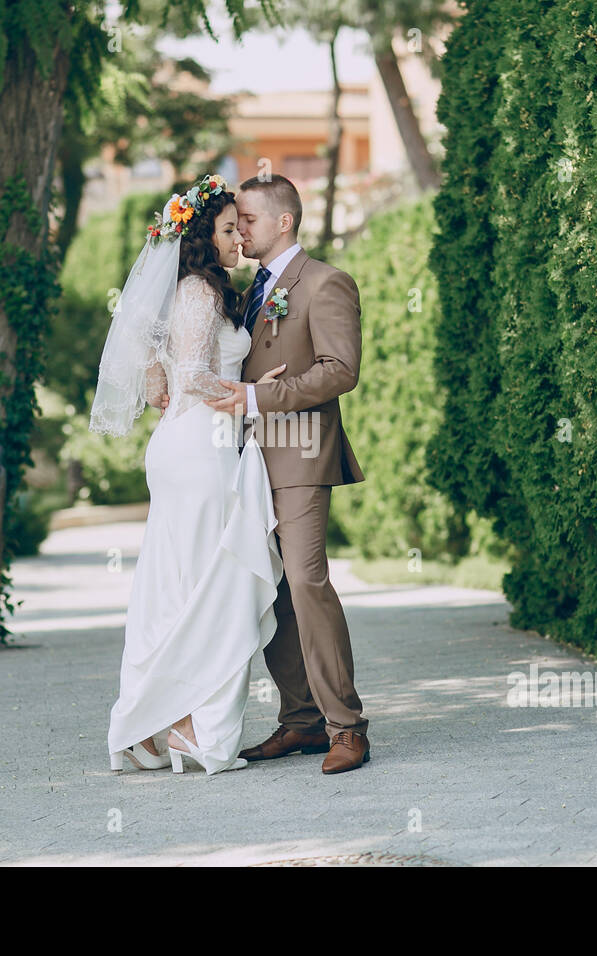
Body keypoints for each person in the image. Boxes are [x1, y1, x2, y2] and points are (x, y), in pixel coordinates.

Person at [162, 174, 372, 775]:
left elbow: (340, 371)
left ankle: (347, 727)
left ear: (283, 221)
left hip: (300, 453)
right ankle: (301, 721)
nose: (240, 230)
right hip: (243, 462)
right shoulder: (246, 290)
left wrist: (257, 398)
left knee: (306, 583)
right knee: (273, 590)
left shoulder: (327, 283)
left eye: (247, 219)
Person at [90, 174, 286, 775]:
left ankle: (156, 724)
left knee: (179, 589)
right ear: (202, 236)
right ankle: (190, 729)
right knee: (215, 591)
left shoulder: (184, 294)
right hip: (201, 450)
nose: (240, 239)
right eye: (230, 229)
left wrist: (181, 385)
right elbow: (196, 376)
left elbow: (157, 388)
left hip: (180, 445)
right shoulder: (201, 293)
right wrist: (253, 392)